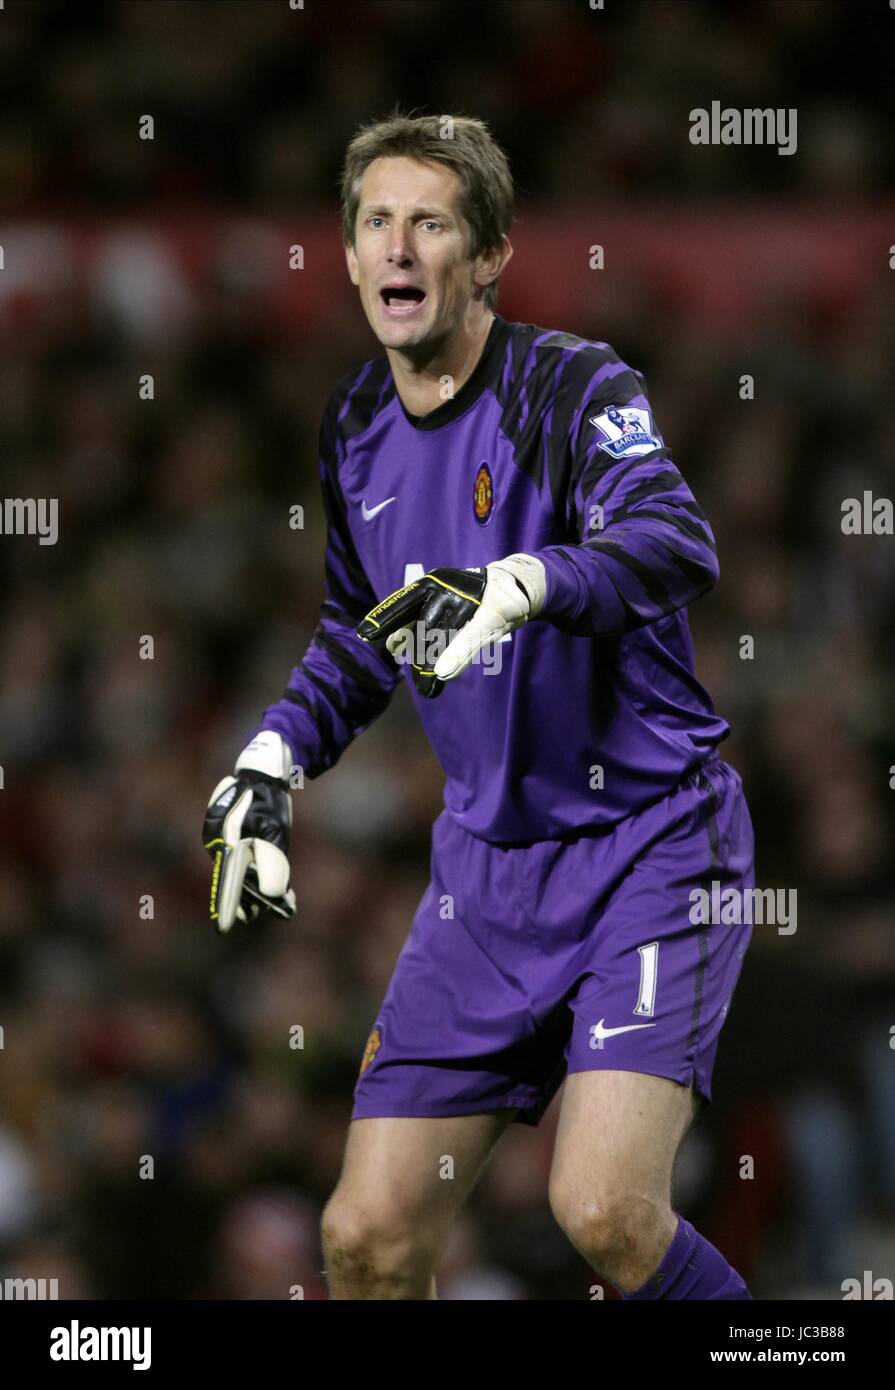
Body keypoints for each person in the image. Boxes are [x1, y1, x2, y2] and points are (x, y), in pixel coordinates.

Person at [202, 110, 755, 1301]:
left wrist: (520, 582)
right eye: (375, 223)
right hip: (486, 879)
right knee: (364, 1237)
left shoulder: (569, 385)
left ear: (489, 253)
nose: (398, 247)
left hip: (650, 844)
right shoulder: (353, 424)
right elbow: (362, 629)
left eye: (432, 223)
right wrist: (269, 758)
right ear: (348, 258)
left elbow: (672, 541)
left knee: (602, 1208)